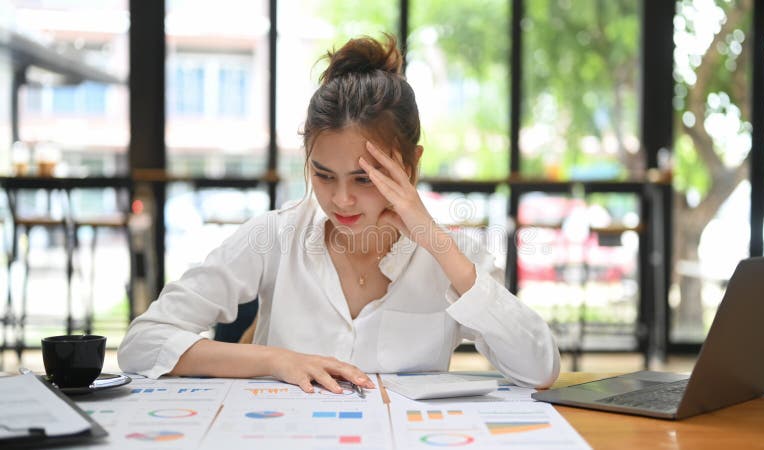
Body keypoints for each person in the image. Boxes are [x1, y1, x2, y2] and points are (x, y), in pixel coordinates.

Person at [118, 35, 560, 394]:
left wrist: (435, 242)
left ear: (412, 164)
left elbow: (539, 369)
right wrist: (276, 359)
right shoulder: (275, 235)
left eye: (365, 179)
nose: (342, 200)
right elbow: (143, 342)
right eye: (324, 175)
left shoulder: (451, 254)